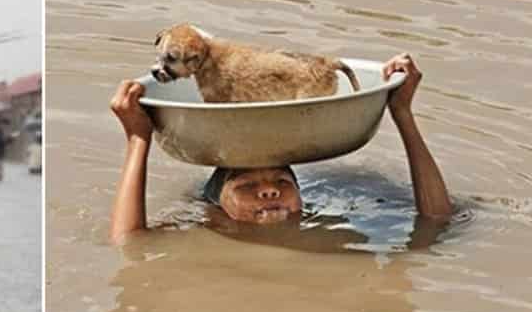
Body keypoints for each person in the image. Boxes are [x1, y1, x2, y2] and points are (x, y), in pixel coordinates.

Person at [108, 54, 452, 244]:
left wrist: (402, 113)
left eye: (284, 183)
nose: (270, 190)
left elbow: (436, 222)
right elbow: (129, 245)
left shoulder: (327, 227)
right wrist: (138, 139)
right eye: (246, 186)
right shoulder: (206, 231)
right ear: (216, 208)